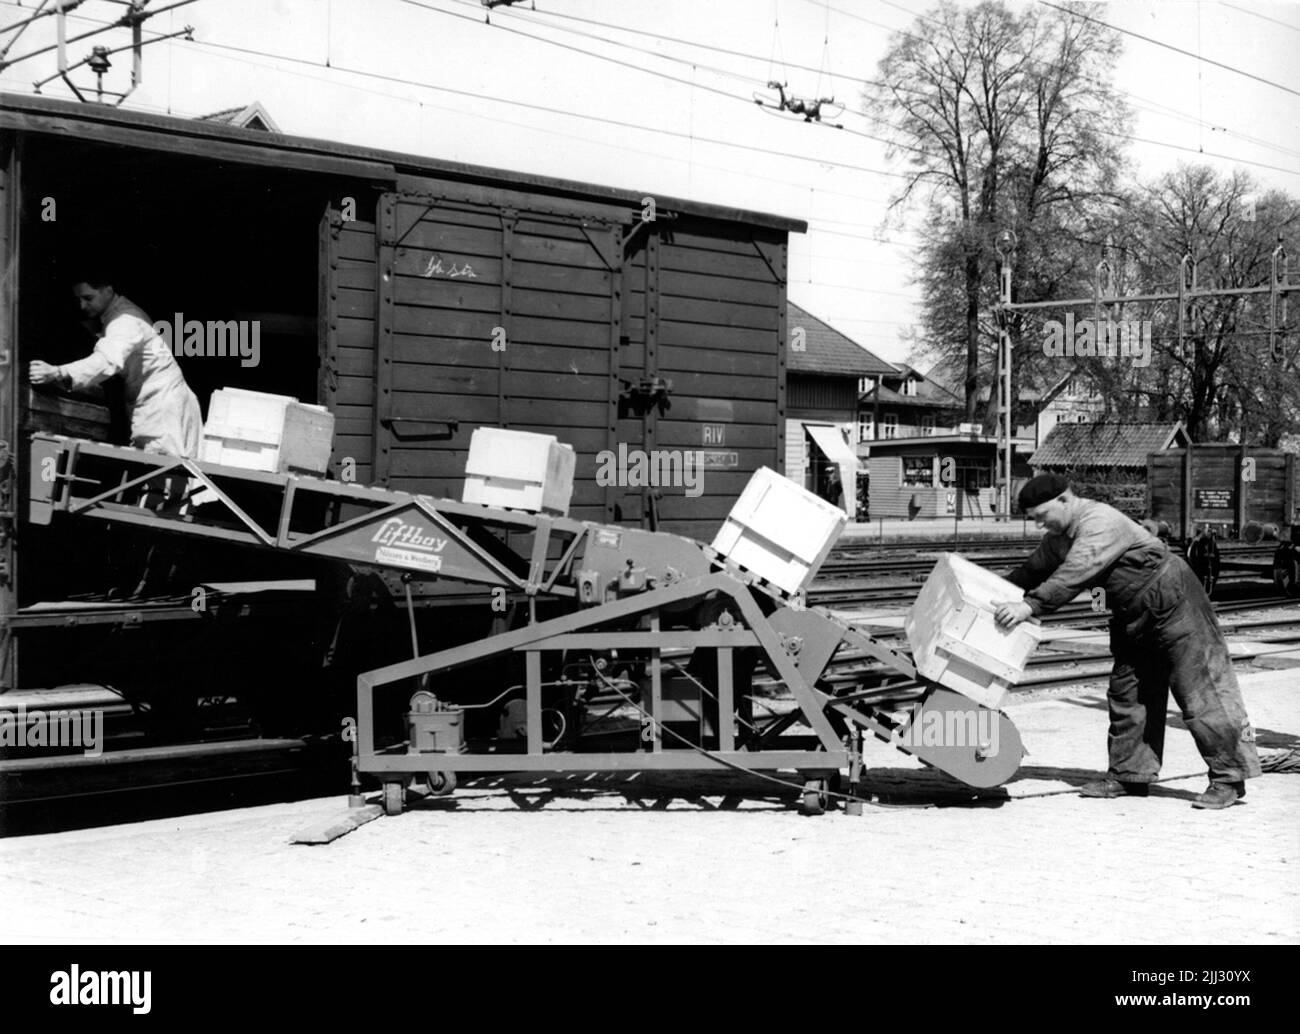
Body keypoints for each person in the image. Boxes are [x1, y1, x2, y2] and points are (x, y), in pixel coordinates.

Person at [992, 474, 1260, 810]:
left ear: (1064, 499)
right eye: (1034, 520)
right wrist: (991, 590)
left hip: (1175, 602)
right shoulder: (1059, 537)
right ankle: (1130, 775)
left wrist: (1029, 605)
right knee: (1129, 692)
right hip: (1132, 614)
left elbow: (1077, 571)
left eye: (1042, 516)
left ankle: (1229, 778)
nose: (1039, 526)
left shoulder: (1098, 521)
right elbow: (1032, 570)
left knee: (1201, 690)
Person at [29, 275, 202, 457]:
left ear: (108, 291)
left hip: (162, 406)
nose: (82, 306)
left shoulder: (124, 321)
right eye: (79, 299)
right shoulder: (113, 317)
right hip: (158, 403)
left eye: (88, 298)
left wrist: (58, 372)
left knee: (163, 473)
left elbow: (107, 360)